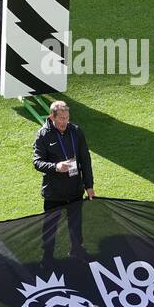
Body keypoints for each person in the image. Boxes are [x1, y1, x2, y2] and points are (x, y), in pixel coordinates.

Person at [32, 100, 94, 262]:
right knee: (50, 228)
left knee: (75, 225)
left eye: (67, 118)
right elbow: (37, 162)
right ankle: (47, 257)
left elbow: (85, 160)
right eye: (61, 118)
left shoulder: (76, 131)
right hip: (54, 193)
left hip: (75, 190)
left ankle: (77, 250)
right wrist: (56, 166)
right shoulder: (43, 135)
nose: (65, 122)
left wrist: (89, 186)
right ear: (51, 117)